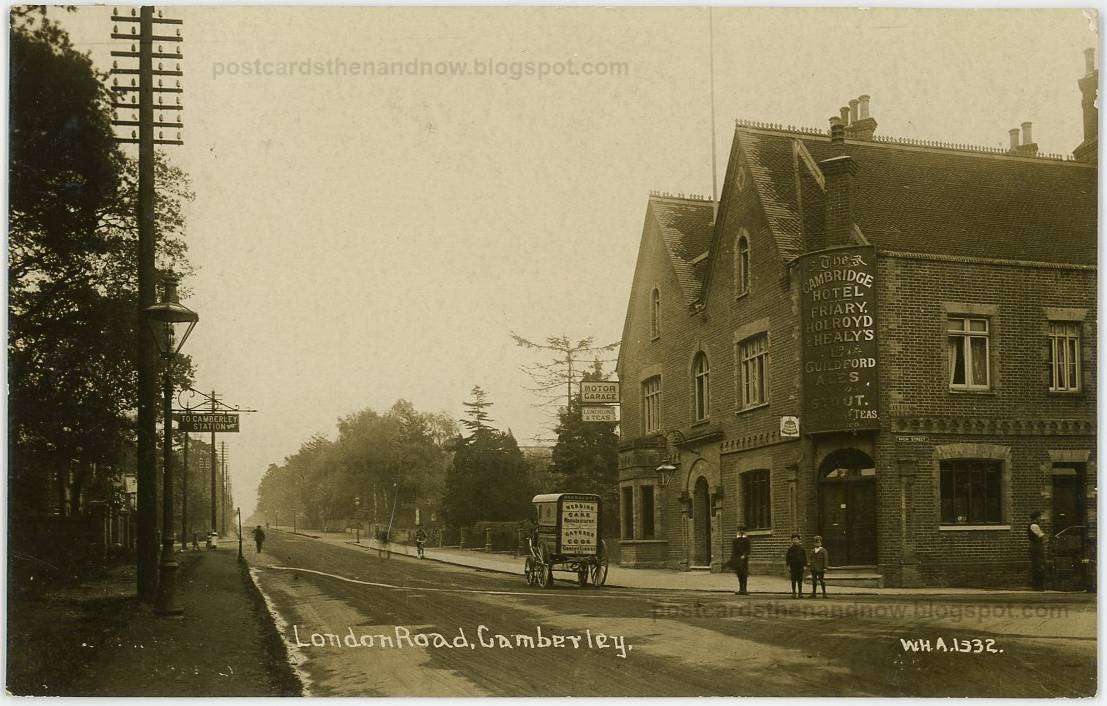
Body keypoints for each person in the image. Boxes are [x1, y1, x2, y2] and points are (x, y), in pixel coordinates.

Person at [1028, 511, 1047, 591]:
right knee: (1038, 565)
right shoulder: (1034, 526)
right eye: (1039, 517)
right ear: (1036, 518)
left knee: (1037, 565)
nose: (1040, 519)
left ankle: (1037, 585)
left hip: (1035, 547)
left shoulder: (1034, 525)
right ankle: (1038, 586)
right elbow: (1041, 536)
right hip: (1036, 547)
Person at [731, 526, 751, 595]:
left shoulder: (747, 540)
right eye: (740, 530)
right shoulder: (735, 540)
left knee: (744, 574)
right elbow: (733, 551)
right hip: (737, 560)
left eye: (742, 530)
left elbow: (748, 550)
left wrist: (744, 555)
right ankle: (740, 589)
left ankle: (744, 589)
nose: (741, 532)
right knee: (739, 575)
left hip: (744, 560)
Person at [785, 534, 807, 598]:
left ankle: (800, 592)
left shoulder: (802, 549)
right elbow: (787, 558)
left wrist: (805, 565)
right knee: (793, 580)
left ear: (799, 540)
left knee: (800, 580)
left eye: (796, 539)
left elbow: (804, 558)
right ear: (792, 541)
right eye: (794, 540)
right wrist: (788, 566)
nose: (795, 541)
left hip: (800, 567)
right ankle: (794, 592)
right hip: (793, 567)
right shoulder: (790, 549)